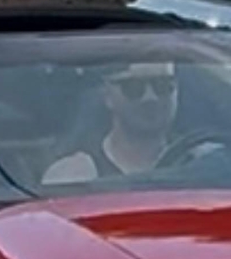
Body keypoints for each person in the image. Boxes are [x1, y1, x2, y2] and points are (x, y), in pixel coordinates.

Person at [44, 60, 181, 184]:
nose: (150, 97)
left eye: (163, 85)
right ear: (107, 96)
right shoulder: (73, 175)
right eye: (133, 87)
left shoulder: (192, 166)